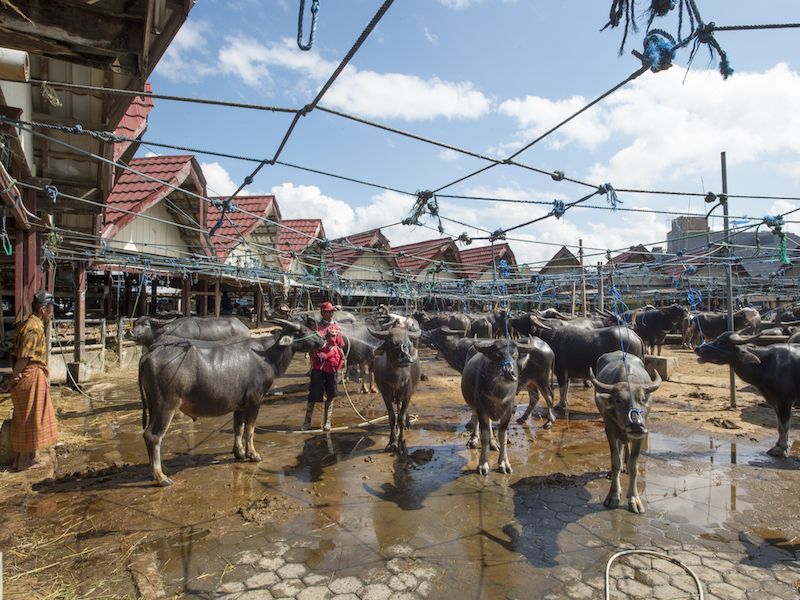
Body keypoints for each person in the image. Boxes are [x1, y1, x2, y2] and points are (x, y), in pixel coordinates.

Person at [0, 291, 58, 471]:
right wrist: (12, 379)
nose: (52, 312)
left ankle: (22, 459)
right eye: (50, 309)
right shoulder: (34, 328)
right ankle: (25, 461)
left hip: (28, 375)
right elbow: (24, 358)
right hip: (31, 376)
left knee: (25, 418)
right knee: (31, 419)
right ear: (42, 309)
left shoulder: (27, 324)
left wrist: (13, 378)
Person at [302, 301, 345, 431]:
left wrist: (343, 358)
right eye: (328, 311)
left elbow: (340, 345)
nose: (330, 313)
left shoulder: (336, 327)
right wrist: (326, 336)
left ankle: (327, 421)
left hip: (332, 366)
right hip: (318, 366)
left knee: (331, 394)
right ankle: (307, 422)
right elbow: (313, 344)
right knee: (314, 394)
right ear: (322, 313)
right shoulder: (316, 328)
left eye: (332, 311)